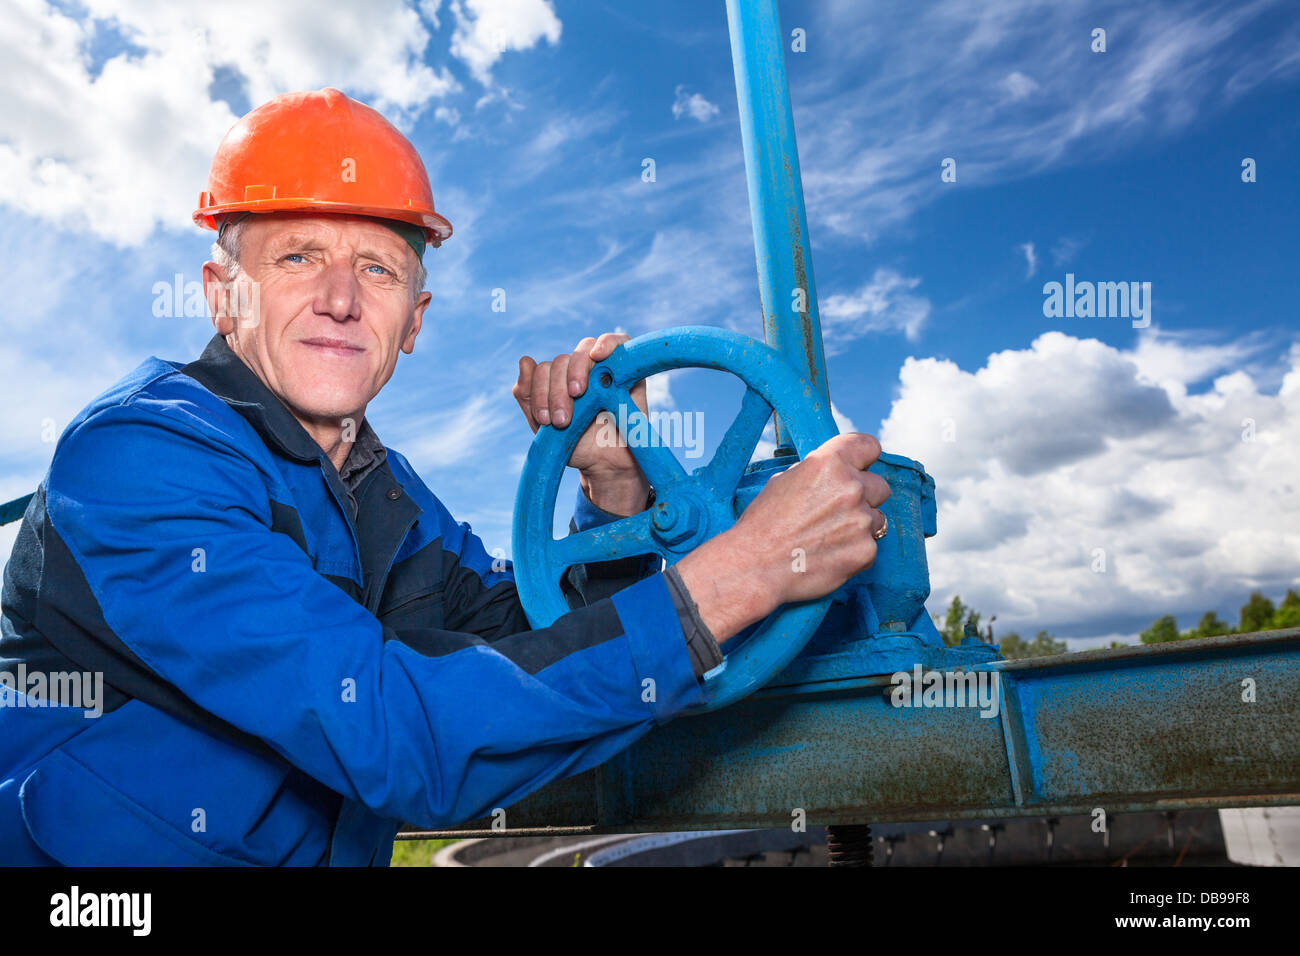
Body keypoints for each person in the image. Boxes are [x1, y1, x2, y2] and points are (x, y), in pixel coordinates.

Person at [0, 89, 889, 865]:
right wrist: (748, 568)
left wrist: (617, 493)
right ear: (221, 292)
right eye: (298, 256)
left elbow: (529, 642)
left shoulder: (387, 498)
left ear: (414, 320)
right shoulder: (140, 457)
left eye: (378, 269)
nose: (342, 299)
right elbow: (398, 735)